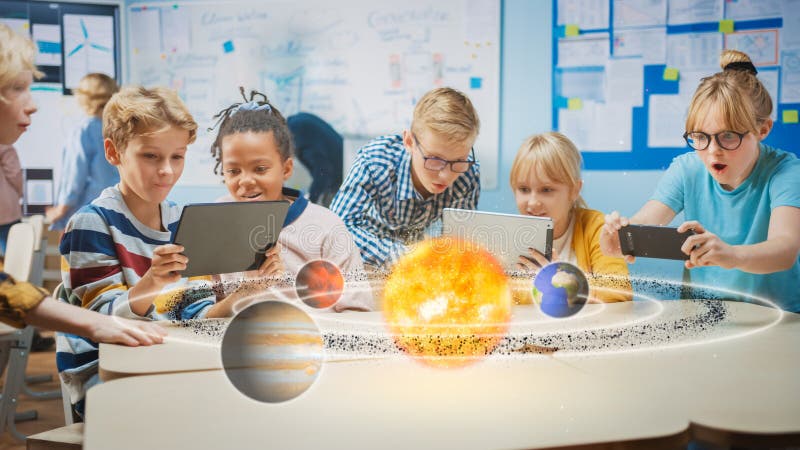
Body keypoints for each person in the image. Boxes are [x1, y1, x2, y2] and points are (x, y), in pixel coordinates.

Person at [0, 24, 165, 342]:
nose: (32, 104)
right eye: (17, 88)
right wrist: (93, 322)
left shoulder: (83, 131)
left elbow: (74, 179)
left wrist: (93, 322)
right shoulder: (110, 130)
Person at [57, 85, 215, 416]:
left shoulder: (181, 220)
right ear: (113, 152)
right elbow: (102, 324)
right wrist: (152, 283)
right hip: (106, 374)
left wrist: (246, 292)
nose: (167, 170)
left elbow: (194, 313)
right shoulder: (91, 224)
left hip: (167, 360)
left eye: (177, 157)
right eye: (150, 156)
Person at [601, 50, 800, 312]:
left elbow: (785, 249)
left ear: (762, 130)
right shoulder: (687, 168)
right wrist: (622, 236)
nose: (712, 151)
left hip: (777, 314)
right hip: (708, 312)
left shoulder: (787, 171)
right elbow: (648, 219)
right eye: (700, 137)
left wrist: (732, 255)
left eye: (728, 136)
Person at [206, 88, 373, 315]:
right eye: (233, 171)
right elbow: (196, 314)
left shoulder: (327, 228)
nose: (245, 181)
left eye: (260, 169)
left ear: (286, 169)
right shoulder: (214, 221)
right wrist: (246, 292)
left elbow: (356, 312)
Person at [330, 87, 481, 268]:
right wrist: (402, 256)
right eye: (435, 159)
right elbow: (337, 230)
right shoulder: (375, 161)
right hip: (364, 260)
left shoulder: (467, 174)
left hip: (412, 263)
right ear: (409, 142)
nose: (446, 176)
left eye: (459, 160)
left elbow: (458, 243)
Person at [510, 132, 631, 302]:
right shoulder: (507, 236)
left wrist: (565, 285)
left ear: (574, 190)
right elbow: (501, 301)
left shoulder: (597, 228)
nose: (532, 203)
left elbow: (619, 296)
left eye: (546, 190)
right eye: (524, 189)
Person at [47, 73, 120, 230]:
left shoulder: (83, 131)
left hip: (86, 214)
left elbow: (75, 176)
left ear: (83, 98)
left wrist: (61, 209)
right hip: (115, 212)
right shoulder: (119, 130)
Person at [287, 112, 343, 207]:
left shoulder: (298, 133)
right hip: (340, 170)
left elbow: (323, 171)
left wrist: (311, 200)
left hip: (338, 180)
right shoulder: (293, 122)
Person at [0, 144, 22, 256]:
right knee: (13, 257)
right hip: (6, 211)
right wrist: (20, 193)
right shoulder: (4, 145)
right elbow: (15, 175)